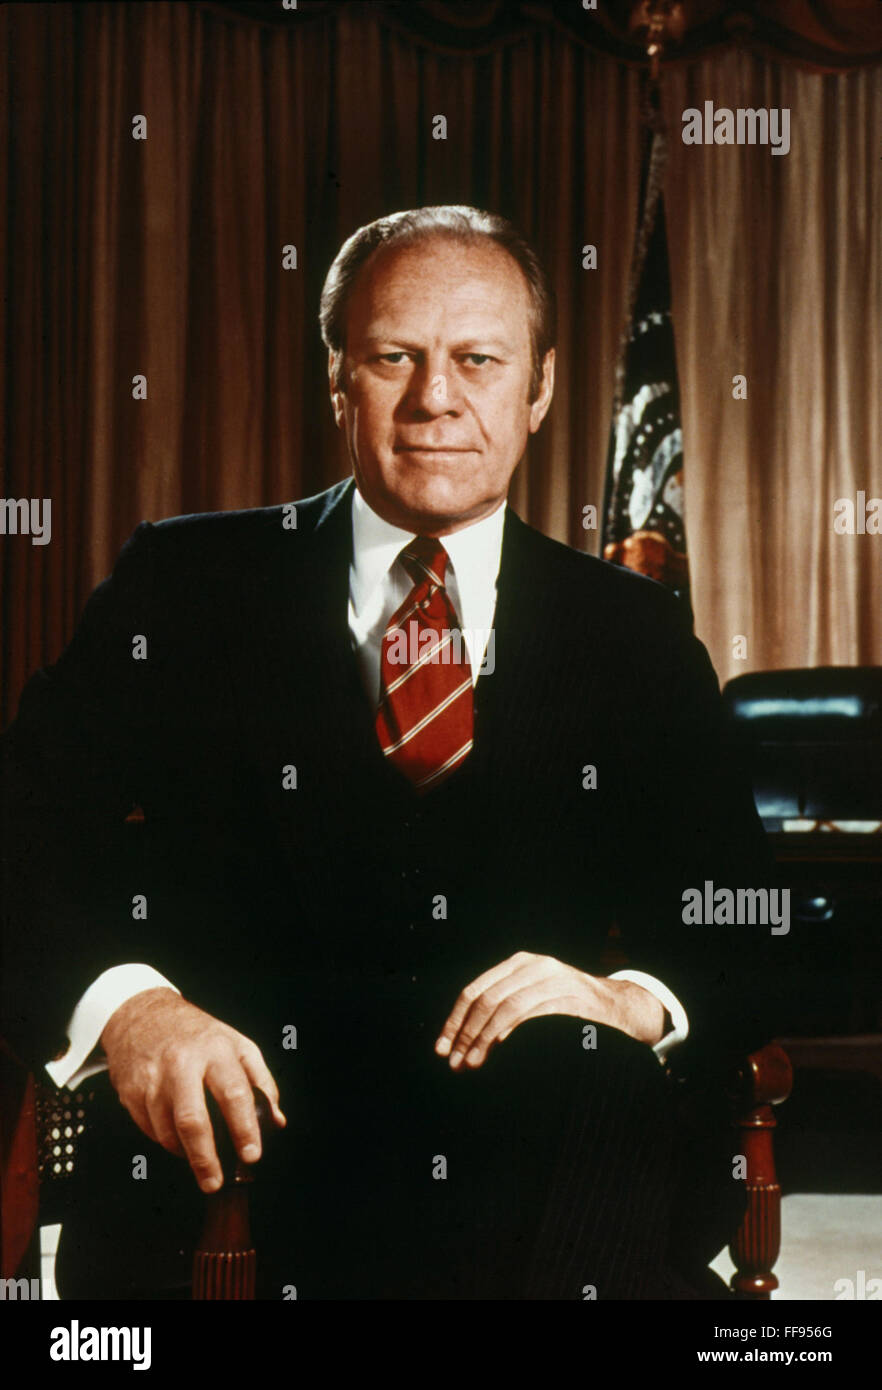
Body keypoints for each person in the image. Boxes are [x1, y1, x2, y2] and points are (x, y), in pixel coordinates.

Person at [0, 206, 774, 1300]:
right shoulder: (184, 586)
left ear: (540, 388)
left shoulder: (634, 633)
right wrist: (132, 1007)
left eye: (477, 360)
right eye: (393, 358)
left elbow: (744, 907)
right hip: (252, 1151)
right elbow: (20, 836)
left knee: (583, 1070)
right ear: (337, 381)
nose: (436, 399)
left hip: (550, 1153)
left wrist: (631, 999)